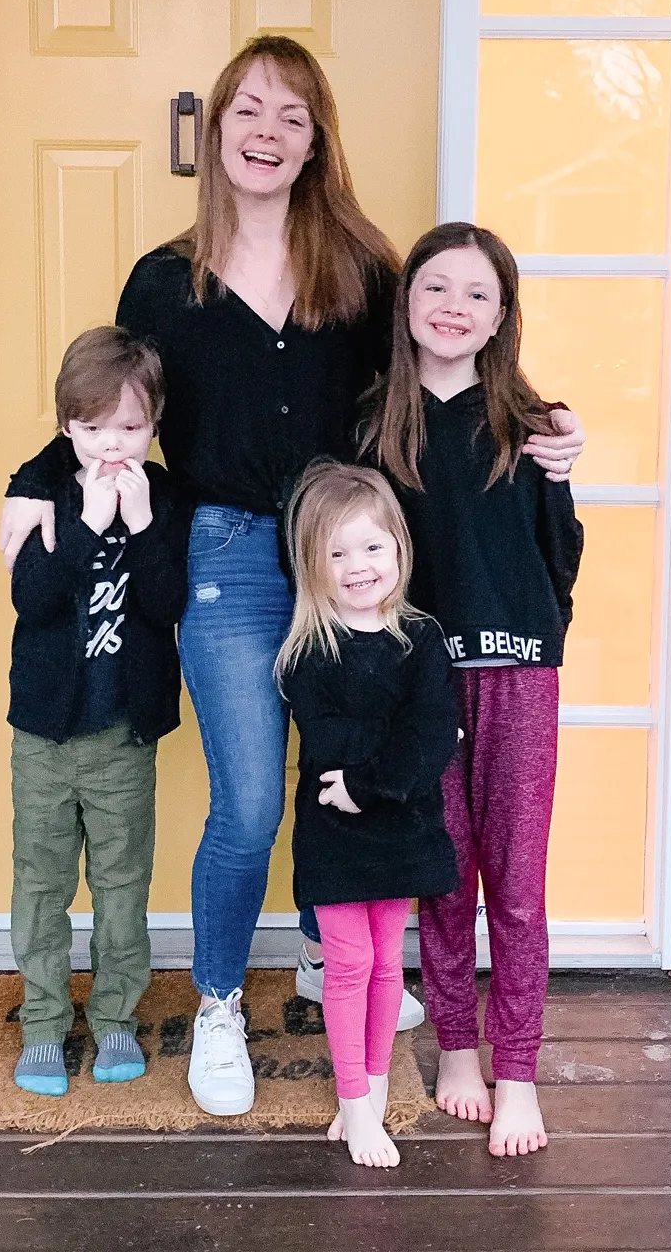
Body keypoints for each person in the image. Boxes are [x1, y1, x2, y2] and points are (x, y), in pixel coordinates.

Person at [0, 35, 585, 1116]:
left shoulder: (362, 270)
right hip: (225, 553)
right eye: (250, 112)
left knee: (353, 762)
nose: (268, 135)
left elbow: (444, 367)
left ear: (317, 143)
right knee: (252, 799)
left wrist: (547, 429)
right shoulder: (165, 283)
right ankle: (221, 1002)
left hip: (346, 554)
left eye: (293, 119)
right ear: (217, 129)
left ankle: (325, 952)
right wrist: (36, 477)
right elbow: (110, 405)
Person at [361, 222, 584, 1157]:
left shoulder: (534, 430)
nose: (454, 307)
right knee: (443, 878)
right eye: (437, 288)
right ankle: (457, 1048)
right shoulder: (373, 420)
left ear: (501, 319)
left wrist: (532, 636)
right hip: (418, 681)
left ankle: (519, 1068)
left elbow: (558, 556)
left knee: (518, 887)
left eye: (477, 295)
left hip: (518, 675)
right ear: (407, 301)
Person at [4, 327, 188, 1097]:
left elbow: (170, 603)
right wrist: (84, 523)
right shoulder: (41, 486)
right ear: (65, 425)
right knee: (41, 883)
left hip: (122, 734)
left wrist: (141, 527)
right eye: (92, 429)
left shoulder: (165, 495)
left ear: (154, 424)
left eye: (131, 428)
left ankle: (116, 1016)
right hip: (44, 735)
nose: (112, 446)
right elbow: (34, 599)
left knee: (121, 887)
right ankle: (44, 1021)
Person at [276, 462, 458, 1168]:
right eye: (338, 553)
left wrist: (370, 778)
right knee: (348, 965)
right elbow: (330, 739)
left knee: (388, 964)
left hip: (397, 826)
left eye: (372, 548)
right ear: (313, 563)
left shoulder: (421, 639)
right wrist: (388, 760)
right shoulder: (308, 649)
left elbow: (432, 736)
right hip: (336, 834)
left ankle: (370, 1099)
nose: (358, 567)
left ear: (399, 550)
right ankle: (355, 1106)